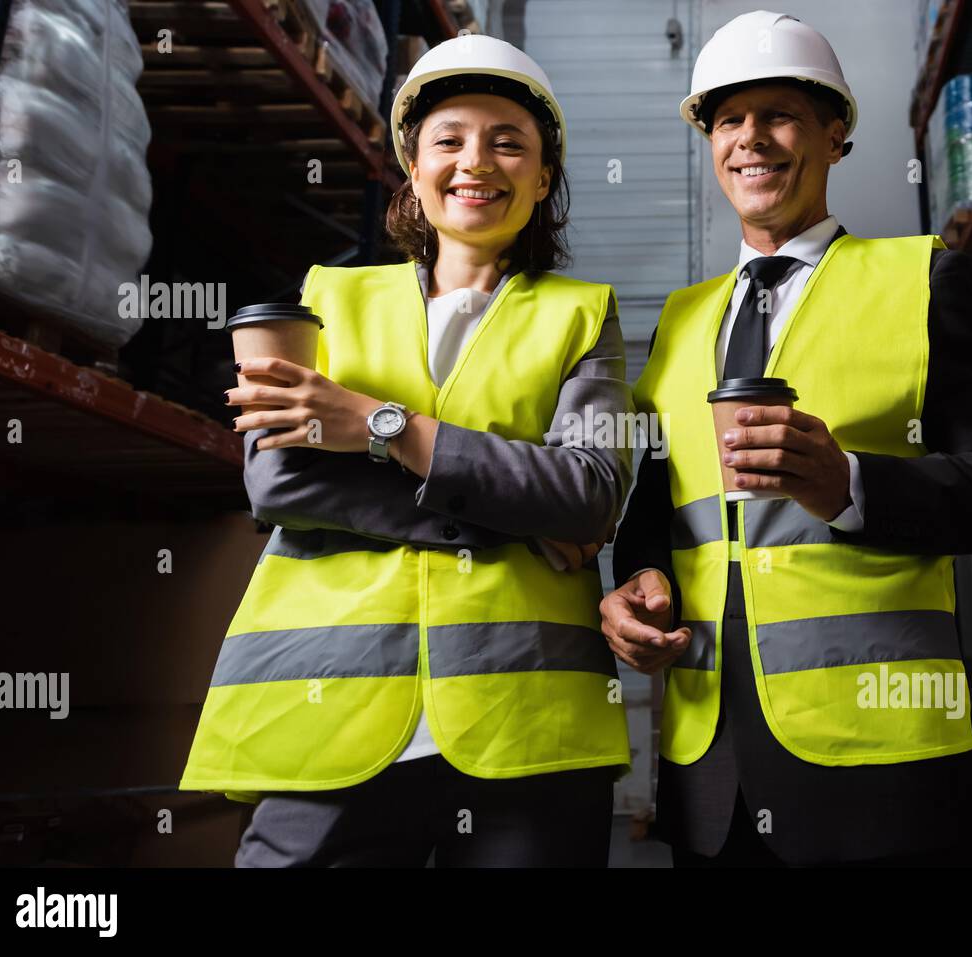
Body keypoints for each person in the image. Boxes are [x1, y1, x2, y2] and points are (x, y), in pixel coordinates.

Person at [602, 11, 972, 867]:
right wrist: (634, 585)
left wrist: (849, 484)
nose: (752, 139)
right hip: (710, 767)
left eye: (781, 115)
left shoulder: (919, 279)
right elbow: (657, 511)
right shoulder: (678, 319)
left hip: (880, 763)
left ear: (836, 135)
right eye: (729, 120)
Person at [179, 35, 633, 867]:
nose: (477, 162)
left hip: (524, 721)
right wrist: (503, 517)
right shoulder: (328, 296)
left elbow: (588, 494)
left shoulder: (581, 314)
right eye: (449, 138)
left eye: (508, 143)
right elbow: (279, 480)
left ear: (542, 177)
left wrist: (380, 429)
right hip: (329, 709)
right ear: (412, 169)